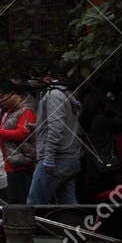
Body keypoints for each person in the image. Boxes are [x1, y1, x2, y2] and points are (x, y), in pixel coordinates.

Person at [28, 73, 83, 205]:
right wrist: (38, 126)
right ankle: (75, 225)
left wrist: (49, 159)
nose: (30, 81)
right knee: (67, 204)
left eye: (33, 77)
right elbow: (60, 124)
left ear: (47, 78)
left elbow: (56, 128)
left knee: (34, 205)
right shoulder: (63, 93)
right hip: (69, 157)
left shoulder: (54, 95)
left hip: (58, 159)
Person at [0, 82, 37, 203]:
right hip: (6, 164)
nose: (0, 100)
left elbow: (23, 134)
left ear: (14, 94)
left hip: (18, 164)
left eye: (2, 97)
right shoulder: (4, 110)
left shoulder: (26, 110)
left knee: (18, 199)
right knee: (8, 199)